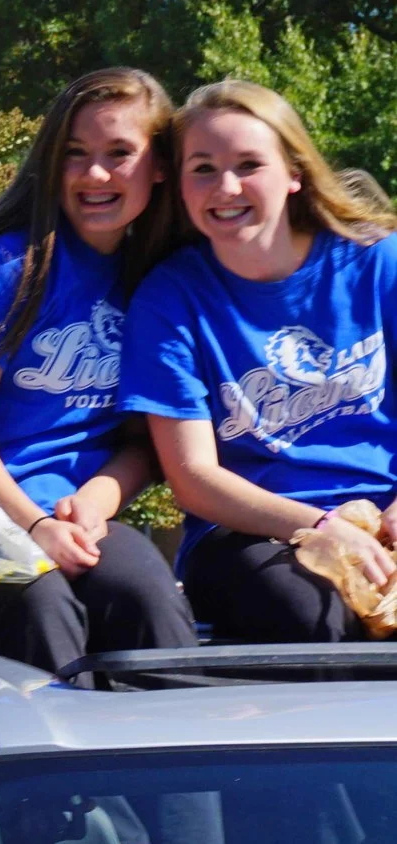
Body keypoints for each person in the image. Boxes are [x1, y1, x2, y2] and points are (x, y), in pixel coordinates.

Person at [0, 67, 198, 669]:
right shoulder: (13, 267)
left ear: (158, 166)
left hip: (70, 520)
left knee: (146, 595)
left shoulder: (157, 282)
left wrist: (96, 499)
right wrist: (36, 523)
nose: (94, 174)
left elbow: (141, 445)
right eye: (75, 153)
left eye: (119, 153)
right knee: (39, 602)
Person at [119, 79, 397, 642]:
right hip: (252, 535)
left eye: (249, 164)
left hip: (385, 512)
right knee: (313, 615)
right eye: (203, 168)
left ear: (294, 172)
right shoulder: (170, 299)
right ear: (179, 184)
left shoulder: (376, 262)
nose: (226, 187)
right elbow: (194, 479)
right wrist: (321, 526)